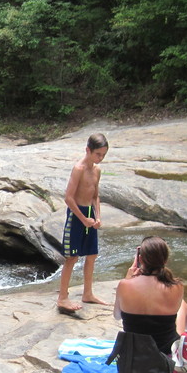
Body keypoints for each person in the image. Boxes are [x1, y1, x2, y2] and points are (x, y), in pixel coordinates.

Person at [114, 235, 187, 353]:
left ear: (140, 259)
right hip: (166, 355)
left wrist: (128, 279)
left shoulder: (124, 285)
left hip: (133, 354)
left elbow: (117, 316)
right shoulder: (176, 286)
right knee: (182, 305)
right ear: (165, 260)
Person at [57, 133, 109, 314]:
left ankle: (88, 293)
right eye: (98, 155)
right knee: (72, 257)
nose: (100, 159)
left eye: (103, 155)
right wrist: (83, 219)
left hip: (89, 214)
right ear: (88, 150)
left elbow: (95, 196)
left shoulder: (97, 170)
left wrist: (97, 216)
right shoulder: (78, 169)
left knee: (92, 255)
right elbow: (68, 198)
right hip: (76, 215)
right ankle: (62, 297)